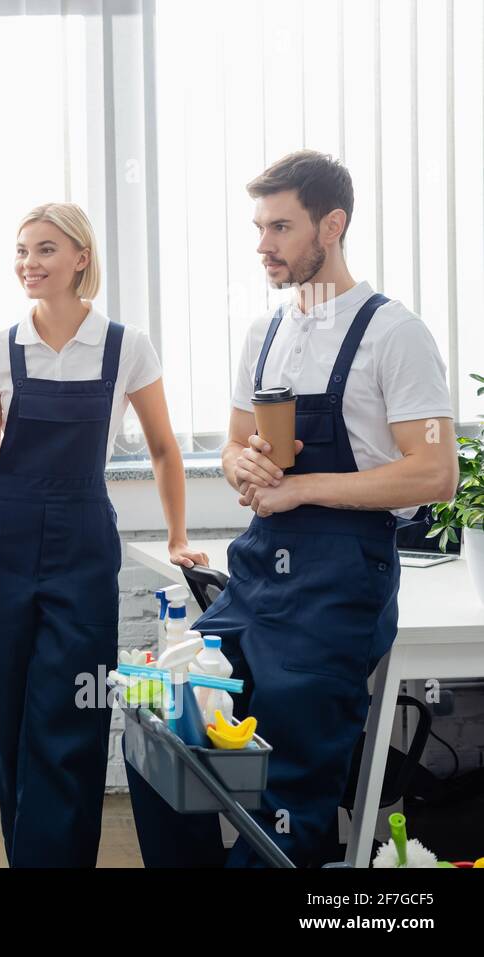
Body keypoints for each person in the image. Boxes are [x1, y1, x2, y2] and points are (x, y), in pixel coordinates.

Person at [126, 150, 458, 867]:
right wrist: (241, 463)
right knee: (159, 734)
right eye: (258, 227)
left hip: (341, 579)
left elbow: (435, 474)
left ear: (331, 225)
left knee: (289, 788)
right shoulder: (264, 333)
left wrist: (304, 487)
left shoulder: (393, 333)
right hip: (256, 571)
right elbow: (237, 447)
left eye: (280, 227)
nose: (263, 246)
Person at [0, 202, 207, 866]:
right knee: (5, 716)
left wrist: (178, 535)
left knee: (71, 713)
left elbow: (161, 448)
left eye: (43, 249)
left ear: (81, 258)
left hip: (83, 542)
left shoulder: (126, 346)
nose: (28, 264)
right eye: (20, 251)